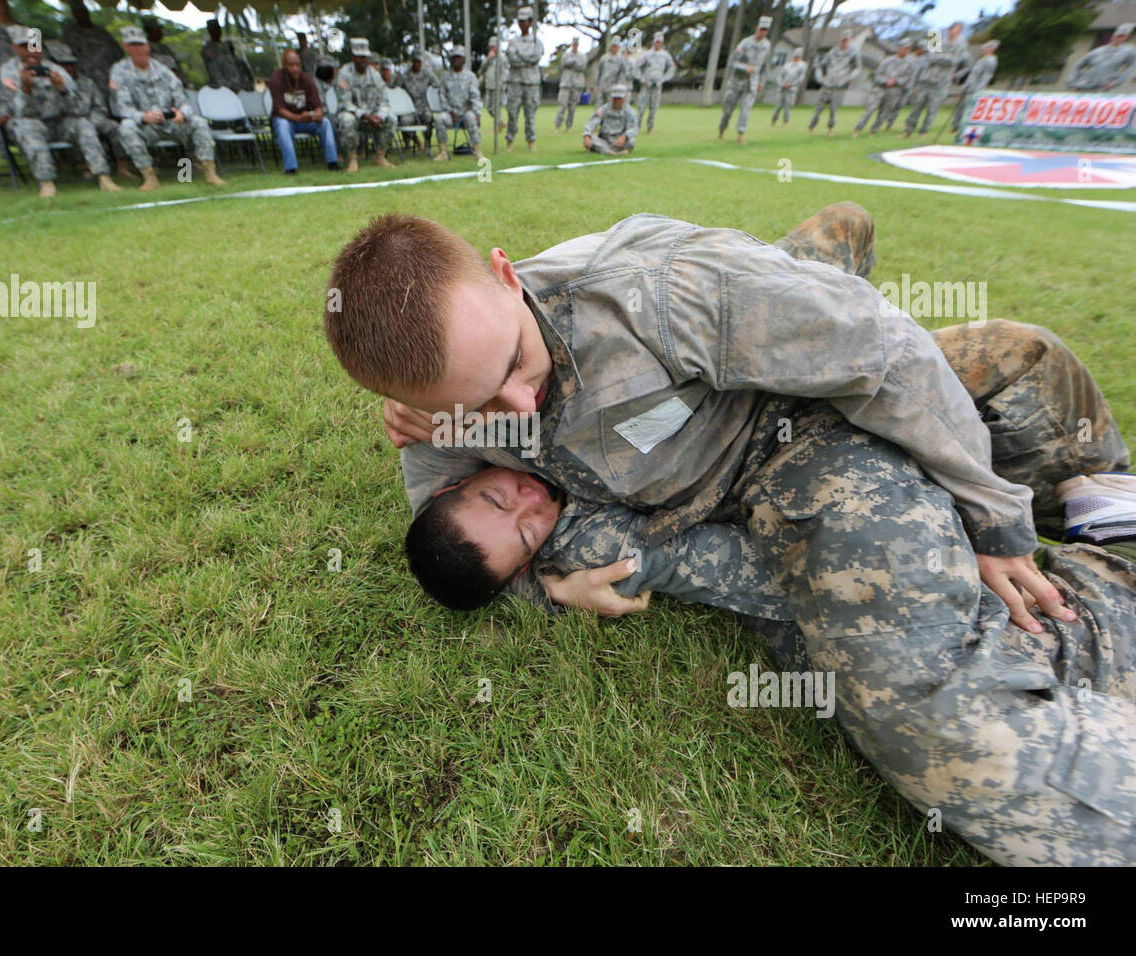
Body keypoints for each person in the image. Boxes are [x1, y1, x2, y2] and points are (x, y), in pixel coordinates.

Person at [323, 203, 1136, 867]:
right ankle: (821, 252)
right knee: (819, 646)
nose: (518, 410)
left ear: (507, 276)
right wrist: (551, 585)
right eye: (482, 405)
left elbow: (879, 355)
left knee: (918, 714)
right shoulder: (433, 418)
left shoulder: (658, 288)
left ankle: (1100, 587)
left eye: (514, 366)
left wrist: (994, 520)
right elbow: (451, 538)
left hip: (802, 433)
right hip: (731, 493)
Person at [0, 26, 120, 196]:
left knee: (83, 124)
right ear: (14, 48)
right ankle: (47, 183)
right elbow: (19, 111)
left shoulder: (56, 70)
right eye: (24, 46)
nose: (30, 51)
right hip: (31, 121)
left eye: (34, 45)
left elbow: (76, 109)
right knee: (28, 127)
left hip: (59, 121)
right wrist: (26, 89)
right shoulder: (8, 72)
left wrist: (62, 89)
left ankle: (104, 177)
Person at [110, 25, 225, 191]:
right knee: (126, 127)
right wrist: (143, 117)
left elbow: (183, 100)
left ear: (147, 46)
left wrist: (182, 113)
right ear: (125, 47)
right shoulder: (119, 71)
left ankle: (210, 172)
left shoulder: (163, 70)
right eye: (133, 45)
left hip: (171, 122)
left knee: (199, 122)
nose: (138, 49)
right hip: (146, 126)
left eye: (140, 45)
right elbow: (122, 107)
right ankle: (149, 176)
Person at [46, 39, 134, 183]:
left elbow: (100, 107)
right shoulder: (50, 85)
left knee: (115, 127)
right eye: (64, 65)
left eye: (71, 65)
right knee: (82, 128)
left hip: (92, 118)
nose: (68, 68)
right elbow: (54, 112)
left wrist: (92, 120)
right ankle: (85, 168)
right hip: (67, 123)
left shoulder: (87, 82)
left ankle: (122, 166)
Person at [267, 48, 339, 174]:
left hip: (304, 119)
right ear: (284, 65)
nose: (295, 68)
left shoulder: (306, 80)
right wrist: (298, 118)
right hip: (286, 120)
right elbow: (280, 110)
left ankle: (332, 162)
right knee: (282, 125)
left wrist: (317, 114)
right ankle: (291, 168)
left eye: (298, 65)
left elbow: (317, 105)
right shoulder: (276, 80)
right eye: (291, 65)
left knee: (325, 123)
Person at [334, 37, 394, 172]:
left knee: (391, 118)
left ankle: (380, 157)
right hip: (355, 115)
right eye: (359, 56)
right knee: (346, 119)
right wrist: (366, 116)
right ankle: (352, 159)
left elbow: (384, 100)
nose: (362, 60)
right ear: (353, 57)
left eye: (364, 57)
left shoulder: (375, 75)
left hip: (373, 116)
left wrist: (380, 116)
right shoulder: (344, 73)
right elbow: (345, 103)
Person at [903, 22, 969, 137]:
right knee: (917, 107)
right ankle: (908, 130)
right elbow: (930, 57)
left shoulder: (962, 45)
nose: (955, 32)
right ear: (949, 30)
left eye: (958, 30)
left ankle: (923, 132)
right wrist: (946, 57)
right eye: (953, 29)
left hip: (941, 82)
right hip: (927, 79)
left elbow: (955, 61)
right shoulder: (937, 39)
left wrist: (940, 58)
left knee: (932, 109)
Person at [717, 16, 771, 145]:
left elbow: (765, 66)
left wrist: (761, 82)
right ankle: (722, 130)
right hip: (737, 81)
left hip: (751, 83)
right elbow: (732, 62)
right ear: (757, 28)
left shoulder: (767, 46)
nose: (763, 32)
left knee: (746, 110)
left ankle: (740, 134)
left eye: (766, 30)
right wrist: (745, 68)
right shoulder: (745, 43)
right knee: (728, 109)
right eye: (761, 29)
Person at [60, 0, 124, 100]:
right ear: (74, 14)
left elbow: (119, 56)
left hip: (107, 80)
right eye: (77, 12)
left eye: (83, 11)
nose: (81, 15)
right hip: (84, 83)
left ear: (87, 12)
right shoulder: (70, 34)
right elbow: (63, 56)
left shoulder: (103, 34)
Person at [431, 45, 483, 161]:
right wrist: (450, 112)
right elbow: (442, 96)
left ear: (464, 59)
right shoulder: (445, 76)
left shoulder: (470, 76)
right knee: (439, 119)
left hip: (466, 112)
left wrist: (477, 113)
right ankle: (443, 152)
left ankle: (478, 152)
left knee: (471, 117)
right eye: (454, 57)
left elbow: (475, 96)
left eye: (459, 57)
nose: (456, 60)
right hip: (450, 113)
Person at [504, 5, 543, 152]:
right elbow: (512, 59)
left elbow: (535, 58)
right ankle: (510, 140)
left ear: (530, 22)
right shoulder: (513, 42)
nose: (522, 24)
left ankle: (531, 141)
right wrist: (525, 58)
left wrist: (521, 55)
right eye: (520, 21)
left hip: (531, 83)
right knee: (512, 114)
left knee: (530, 115)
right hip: (515, 82)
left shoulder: (536, 42)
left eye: (525, 21)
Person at [808, 31, 861, 137]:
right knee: (819, 108)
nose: (844, 42)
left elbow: (858, 68)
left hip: (840, 85)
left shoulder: (854, 53)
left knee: (834, 109)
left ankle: (830, 129)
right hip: (827, 83)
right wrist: (820, 78)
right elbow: (820, 66)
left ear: (850, 40)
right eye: (843, 39)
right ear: (840, 39)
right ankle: (811, 127)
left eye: (847, 40)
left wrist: (849, 78)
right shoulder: (832, 52)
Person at [854, 38, 909, 138]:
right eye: (905, 48)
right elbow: (878, 74)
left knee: (885, 112)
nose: (906, 51)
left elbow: (907, 78)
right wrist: (885, 81)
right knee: (870, 109)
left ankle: (873, 131)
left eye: (908, 49)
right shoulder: (887, 61)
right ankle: (858, 129)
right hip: (880, 88)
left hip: (894, 91)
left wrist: (895, 81)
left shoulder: (908, 65)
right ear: (899, 48)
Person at [1067, 22, 1135, 91]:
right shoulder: (1097, 51)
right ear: (1113, 35)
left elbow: (1131, 67)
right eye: (1118, 35)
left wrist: (1116, 82)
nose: (1119, 38)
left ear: (1127, 37)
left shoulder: (1128, 51)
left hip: (1103, 88)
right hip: (1083, 86)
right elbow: (1078, 65)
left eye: (1123, 36)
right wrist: (1073, 82)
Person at [950, 40, 998, 132]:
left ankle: (964, 128)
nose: (983, 50)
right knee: (960, 108)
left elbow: (986, 77)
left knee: (968, 109)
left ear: (990, 49)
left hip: (974, 89)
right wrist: (963, 89)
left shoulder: (990, 61)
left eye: (985, 48)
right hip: (969, 87)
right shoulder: (982, 60)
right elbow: (972, 76)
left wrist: (979, 90)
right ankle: (955, 127)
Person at [634, 31, 675, 133]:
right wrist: (641, 78)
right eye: (656, 42)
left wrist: (664, 79)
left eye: (660, 42)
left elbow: (672, 68)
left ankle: (650, 128)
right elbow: (636, 68)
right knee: (641, 107)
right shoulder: (647, 54)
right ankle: (637, 127)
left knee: (654, 107)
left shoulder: (665, 55)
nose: (658, 44)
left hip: (657, 84)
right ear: (653, 42)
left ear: (662, 43)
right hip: (646, 84)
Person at [398, 50, 437, 150]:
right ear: (412, 62)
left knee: (428, 116)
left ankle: (427, 142)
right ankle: (415, 140)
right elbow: (397, 89)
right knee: (404, 121)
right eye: (415, 61)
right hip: (409, 109)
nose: (417, 64)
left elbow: (437, 87)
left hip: (424, 107)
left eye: (419, 62)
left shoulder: (428, 74)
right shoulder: (405, 75)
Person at [581, 84, 636, 154]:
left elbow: (633, 128)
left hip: (620, 140)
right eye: (615, 98)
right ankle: (607, 150)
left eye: (619, 98)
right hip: (604, 139)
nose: (617, 100)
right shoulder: (604, 109)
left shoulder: (630, 112)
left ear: (625, 98)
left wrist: (624, 136)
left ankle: (606, 150)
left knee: (631, 141)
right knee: (592, 139)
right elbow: (591, 123)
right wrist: (586, 135)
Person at [201, 19, 252, 91]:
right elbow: (213, 70)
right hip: (222, 87)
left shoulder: (225, 46)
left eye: (218, 28)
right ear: (209, 31)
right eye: (214, 29)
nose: (217, 31)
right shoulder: (208, 48)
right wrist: (225, 87)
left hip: (237, 85)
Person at [143, 17, 192, 89]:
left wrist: (183, 82)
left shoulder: (165, 48)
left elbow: (176, 67)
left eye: (160, 30)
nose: (160, 33)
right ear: (149, 32)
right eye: (156, 30)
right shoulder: (143, 48)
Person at [554, 39, 586, 132]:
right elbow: (565, 63)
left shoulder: (582, 56)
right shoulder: (566, 55)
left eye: (576, 44)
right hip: (566, 84)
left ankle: (569, 127)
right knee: (562, 105)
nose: (575, 46)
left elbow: (582, 66)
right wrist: (574, 62)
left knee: (572, 108)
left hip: (577, 84)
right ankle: (557, 126)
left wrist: (572, 62)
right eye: (573, 44)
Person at [770, 47, 806, 126]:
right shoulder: (787, 65)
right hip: (782, 89)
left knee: (787, 107)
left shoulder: (802, 66)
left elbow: (801, 78)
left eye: (798, 55)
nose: (796, 56)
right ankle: (773, 121)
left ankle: (785, 122)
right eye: (795, 55)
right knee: (778, 106)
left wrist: (792, 84)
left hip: (791, 89)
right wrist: (782, 84)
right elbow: (780, 76)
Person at [592, 35, 630, 106]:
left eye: (616, 46)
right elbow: (599, 72)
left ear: (618, 47)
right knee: (598, 107)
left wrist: (619, 88)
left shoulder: (621, 60)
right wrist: (596, 85)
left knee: (610, 108)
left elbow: (623, 74)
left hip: (613, 88)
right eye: (613, 46)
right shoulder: (604, 58)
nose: (614, 48)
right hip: (602, 87)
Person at [481, 36, 509, 133]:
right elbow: (482, 69)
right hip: (489, 85)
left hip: (498, 86)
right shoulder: (489, 57)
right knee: (488, 107)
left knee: (496, 108)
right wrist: (488, 59)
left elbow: (506, 72)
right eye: (491, 46)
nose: (492, 48)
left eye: (493, 46)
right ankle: (500, 123)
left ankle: (497, 127)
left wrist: (503, 85)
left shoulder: (502, 57)